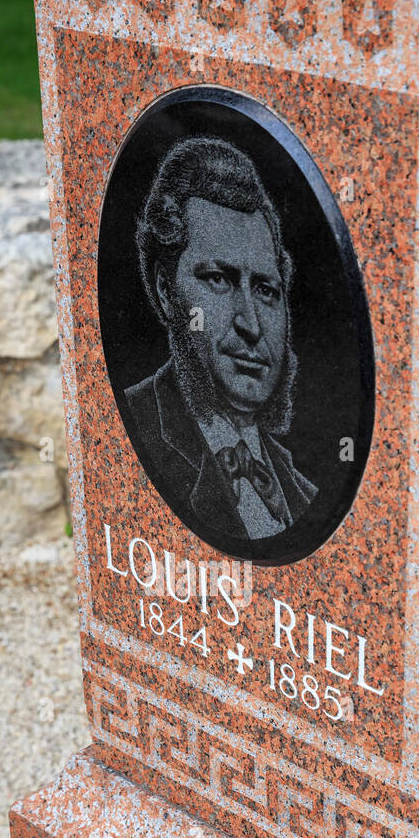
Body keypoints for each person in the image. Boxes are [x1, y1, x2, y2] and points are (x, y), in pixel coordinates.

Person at [124, 136, 317, 543]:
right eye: (218, 280)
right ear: (165, 290)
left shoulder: (303, 494)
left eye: (265, 289)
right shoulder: (134, 423)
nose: (251, 324)